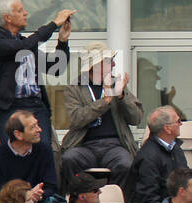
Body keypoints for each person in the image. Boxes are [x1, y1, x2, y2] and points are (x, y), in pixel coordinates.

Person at [0, 0, 72, 143]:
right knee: (12, 150)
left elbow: (57, 68)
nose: (26, 13)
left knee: (43, 150)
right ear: (8, 18)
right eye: (20, 10)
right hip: (10, 107)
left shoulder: (26, 43)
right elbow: (20, 48)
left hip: (36, 106)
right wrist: (54, 24)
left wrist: (62, 41)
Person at [60, 41, 143, 189]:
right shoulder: (75, 87)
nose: (113, 65)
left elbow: (136, 118)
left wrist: (122, 96)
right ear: (95, 65)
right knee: (69, 159)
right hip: (84, 145)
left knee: (125, 164)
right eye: (109, 61)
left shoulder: (117, 84)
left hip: (115, 145)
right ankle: (80, 200)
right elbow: (76, 119)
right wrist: (105, 102)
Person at [125, 106, 186, 203]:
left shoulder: (176, 149)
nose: (181, 124)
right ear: (167, 128)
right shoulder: (148, 157)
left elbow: (187, 179)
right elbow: (148, 198)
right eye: (178, 121)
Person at [0, 110, 61, 203]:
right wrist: (24, 197)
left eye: (37, 124)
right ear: (18, 134)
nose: (39, 129)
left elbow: (51, 186)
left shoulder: (44, 150)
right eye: (33, 127)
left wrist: (39, 195)